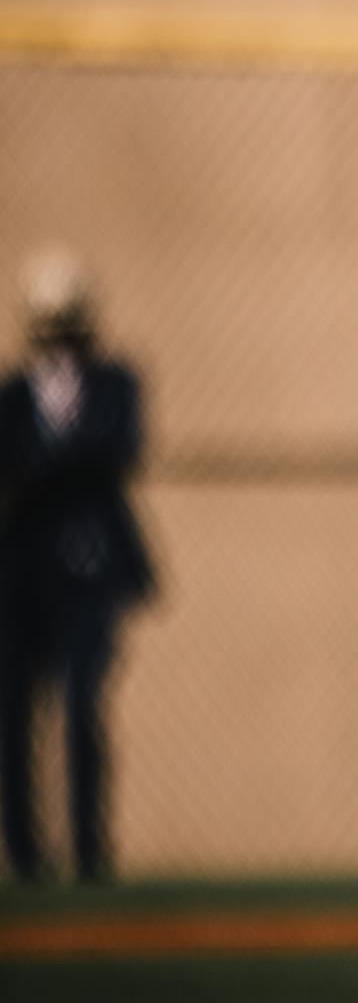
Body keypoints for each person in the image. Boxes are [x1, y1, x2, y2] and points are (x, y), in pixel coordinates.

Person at [0, 252, 153, 883]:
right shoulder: (14, 396)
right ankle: (28, 856)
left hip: (92, 572)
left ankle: (91, 854)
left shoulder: (114, 382)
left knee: (82, 706)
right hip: (20, 575)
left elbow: (119, 449)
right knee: (15, 714)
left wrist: (50, 462)